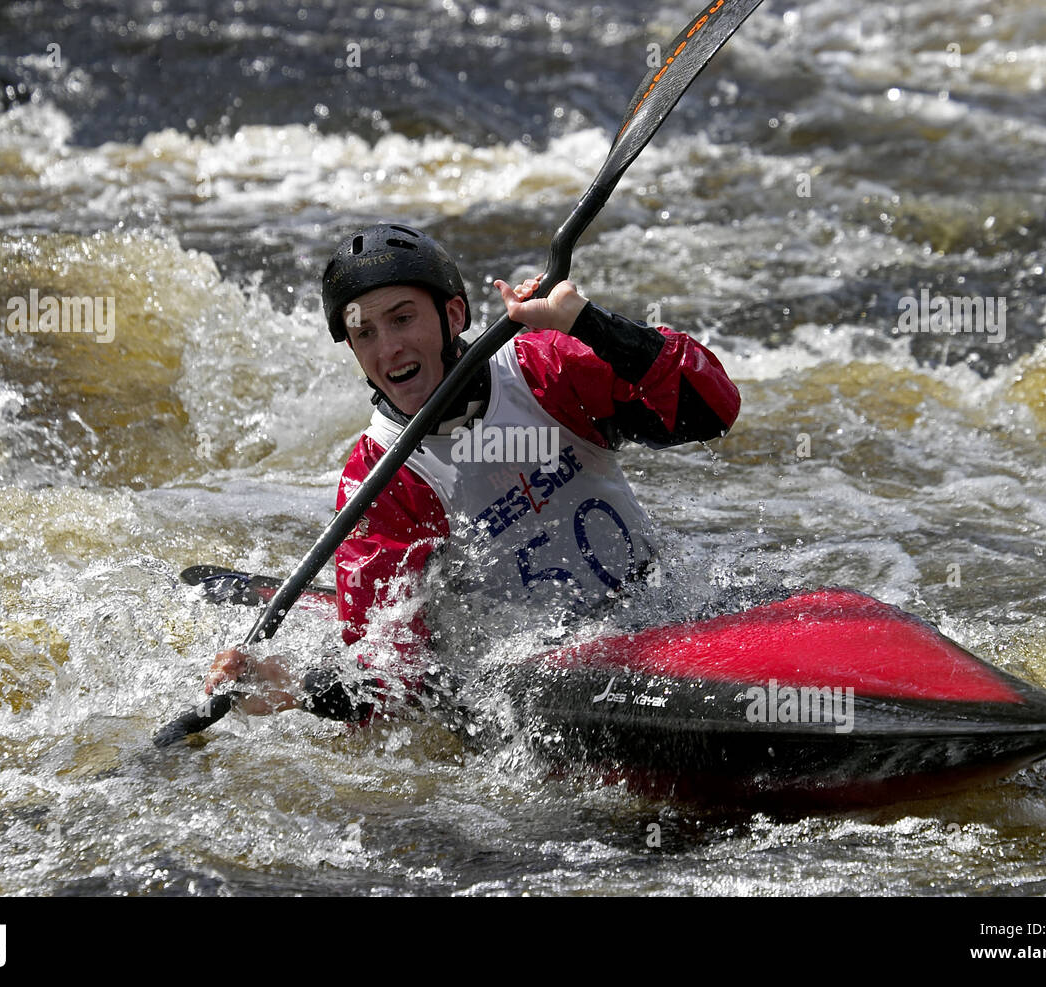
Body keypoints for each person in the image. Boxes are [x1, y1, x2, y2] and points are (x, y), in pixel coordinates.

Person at [205, 223, 740, 725]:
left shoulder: (545, 366)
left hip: (665, 609)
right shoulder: (381, 480)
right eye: (363, 333)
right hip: (546, 678)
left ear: (454, 315)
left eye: (402, 318)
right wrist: (299, 689)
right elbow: (391, 675)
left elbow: (711, 409)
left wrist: (588, 322)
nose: (388, 348)